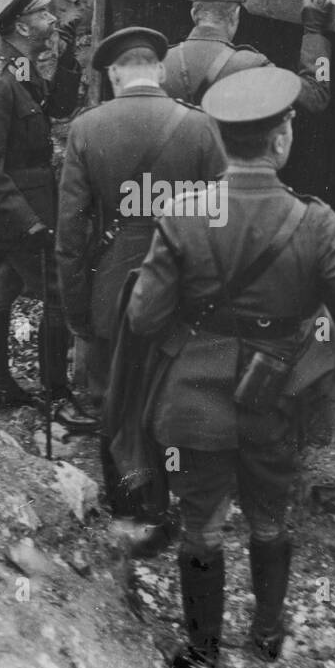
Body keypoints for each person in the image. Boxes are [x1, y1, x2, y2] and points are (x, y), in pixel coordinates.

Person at [126, 68, 335, 668]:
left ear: (222, 143)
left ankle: (200, 657)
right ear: (279, 141)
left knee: (202, 525)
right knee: (271, 515)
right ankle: (268, 634)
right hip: (277, 400)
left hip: (194, 401)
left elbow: (142, 316)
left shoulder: (183, 214)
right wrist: (334, 385)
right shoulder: (314, 222)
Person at [56, 28, 226, 512]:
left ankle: (132, 509)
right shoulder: (199, 126)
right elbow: (224, 221)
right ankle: (179, 498)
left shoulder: (87, 129)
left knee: (118, 396)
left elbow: (69, 234)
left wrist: (77, 313)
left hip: (114, 286)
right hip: (182, 287)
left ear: (113, 74)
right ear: (158, 70)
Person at [0, 0, 95, 428]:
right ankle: (56, 395)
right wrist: (29, 222)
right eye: (42, 14)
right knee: (58, 294)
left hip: (22, 210)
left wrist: (68, 52)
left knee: (2, 286)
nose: (49, 18)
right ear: (22, 27)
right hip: (17, 214)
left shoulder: (21, 70)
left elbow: (57, 109)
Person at [160, 0, 332, 113]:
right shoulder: (252, 66)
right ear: (236, 14)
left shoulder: (161, 63)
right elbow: (316, 96)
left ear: (193, 14)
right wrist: (314, 32)